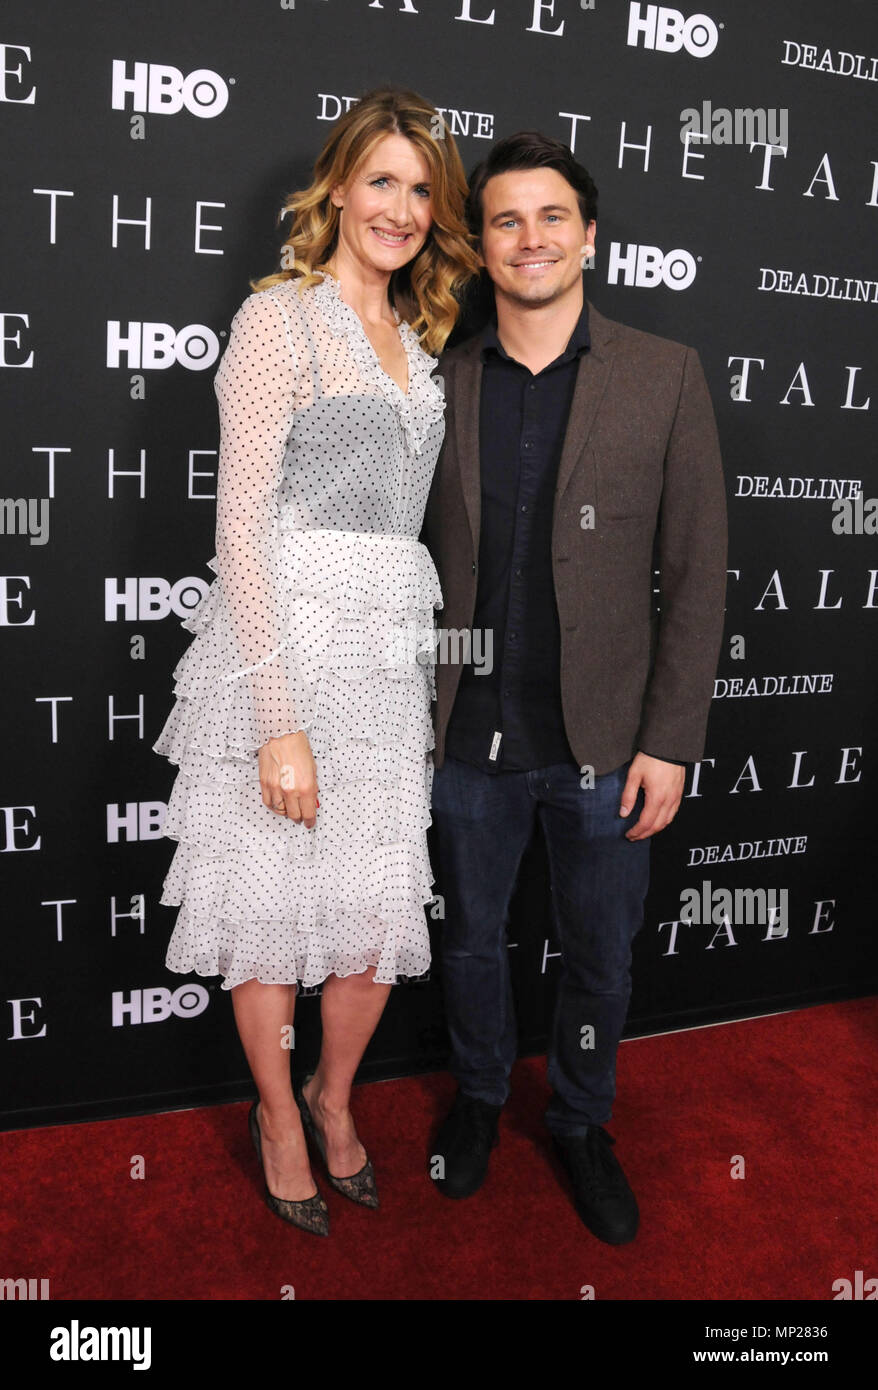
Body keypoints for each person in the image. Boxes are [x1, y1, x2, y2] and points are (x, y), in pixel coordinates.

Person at [153, 86, 480, 1236]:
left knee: (373, 902)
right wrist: (275, 718)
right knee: (270, 901)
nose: (397, 207)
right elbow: (239, 526)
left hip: (388, 652)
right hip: (283, 637)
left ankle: (331, 1096)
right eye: (378, 180)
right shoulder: (278, 321)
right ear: (338, 187)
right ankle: (276, 1116)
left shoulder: (424, 334)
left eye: (420, 189)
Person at [420, 132, 728, 1244]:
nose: (530, 237)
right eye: (505, 219)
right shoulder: (437, 375)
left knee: (597, 954)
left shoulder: (663, 374)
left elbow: (696, 571)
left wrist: (670, 739)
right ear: (481, 244)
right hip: (466, 740)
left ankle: (582, 1121)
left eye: (551, 217)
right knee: (468, 940)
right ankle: (482, 1097)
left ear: (589, 235)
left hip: (608, 747)